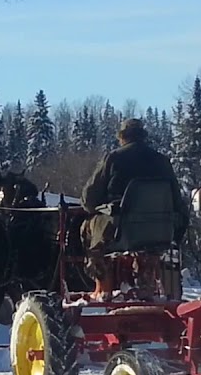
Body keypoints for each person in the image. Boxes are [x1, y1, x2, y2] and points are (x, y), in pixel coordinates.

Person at [80, 118, 188, 299]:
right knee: (149, 248)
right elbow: (178, 203)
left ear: (122, 137)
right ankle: (146, 283)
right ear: (143, 137)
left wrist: (101, 208)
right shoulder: (162, 162)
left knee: (87, 228)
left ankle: (103, 288)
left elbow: (88, 200)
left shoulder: (114, 158)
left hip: (121, 229)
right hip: (159, 231)